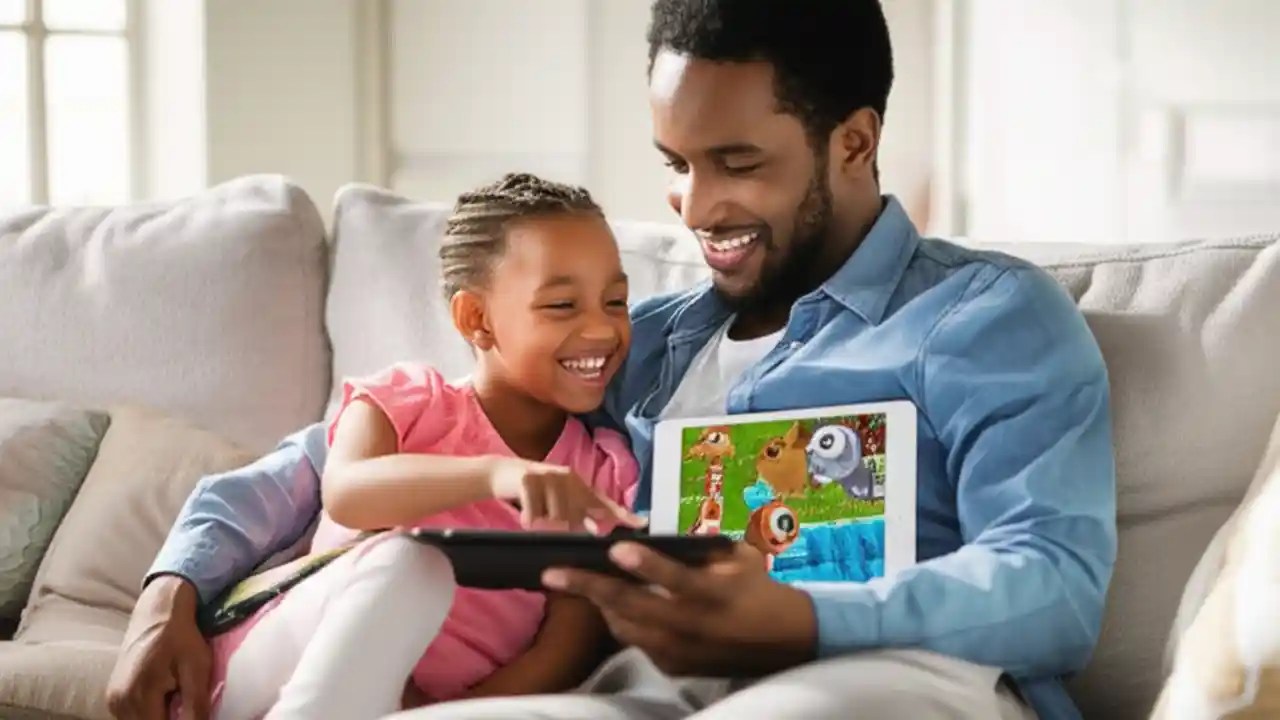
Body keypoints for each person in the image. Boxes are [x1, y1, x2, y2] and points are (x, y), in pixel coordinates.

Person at [107, 2, 1117, 719]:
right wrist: (167, 597)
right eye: (675, 164)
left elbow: (1054, 585)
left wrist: (801, 619)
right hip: (640, 686)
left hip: (899, 675)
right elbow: (316, 469)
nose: (694, 207)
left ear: (853, 143)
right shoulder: (634, 345)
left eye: (737, 162)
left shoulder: (984, 317)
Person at [163, 173, 644, 720]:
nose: (602, 329)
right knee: (413, 565)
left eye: (616, 301)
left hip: (405, 710)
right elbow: (347, 494)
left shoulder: (603, 473)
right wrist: (495, 475)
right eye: (562, 305)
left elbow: (566, 647)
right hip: (279, 664)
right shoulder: (404, 402)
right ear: (477, 319)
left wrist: (436, 715)